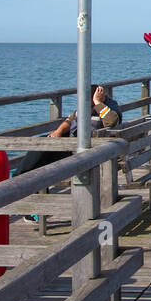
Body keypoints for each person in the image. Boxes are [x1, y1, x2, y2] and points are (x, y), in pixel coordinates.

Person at [16, 84, 120, 223]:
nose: (84, 107)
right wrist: (58, 132)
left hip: (90, 154)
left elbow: (112, 122)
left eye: (88, 104)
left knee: (43, 163)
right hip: (70, 147)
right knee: (41, 152)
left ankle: (26, 190)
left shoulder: (110, 108)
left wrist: (98, 104)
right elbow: (69, 120)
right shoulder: (83, 107)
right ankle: (21, 178)